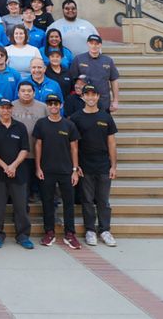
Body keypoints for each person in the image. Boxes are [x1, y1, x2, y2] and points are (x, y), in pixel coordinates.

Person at [71, 85, 119, 247]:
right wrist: (76, 166)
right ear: (82, 97)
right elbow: (74, 146)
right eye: (87, 94)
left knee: (103, 200)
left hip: (103, 165)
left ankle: (105, 230)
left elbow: (111, 143)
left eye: (93, 94)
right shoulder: (76, 118)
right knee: (87, 200)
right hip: (85, 166)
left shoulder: (106, 117)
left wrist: (113, 166)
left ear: (98, 96)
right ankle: (90, 230)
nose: (90, 98)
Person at [33, 94, 81, 250]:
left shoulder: (69, 124)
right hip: (47, 170)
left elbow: (74, 148)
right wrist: (38, 167)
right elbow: (38, 146)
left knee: (68, 203)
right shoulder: (41, 124)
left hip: (66, 171)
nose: (53, 106)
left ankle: (70, 234)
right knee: (47, 202)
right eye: (50, 103)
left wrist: (75, 169)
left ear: (61, 105)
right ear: (47, 106)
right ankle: (49, 232)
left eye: (56, 103)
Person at [0, 97, 33, 249]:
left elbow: (25, 149)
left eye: (8, 108)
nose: (5, 110)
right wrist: (5, 166)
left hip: (19, 173)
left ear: (12, 109)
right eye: (2, 108)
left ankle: (23, 235)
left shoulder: (20, 127)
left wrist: (13, 166)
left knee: (21, 207)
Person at [75, 34, 121, 112]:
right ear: (88, 44)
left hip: (103, 102)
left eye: (96, 44)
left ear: (100, 45)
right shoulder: (79, 59)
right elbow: (73, 80)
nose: (94, 46)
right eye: (91, 43)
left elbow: (114, 80)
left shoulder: (108, 60)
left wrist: (115, 101)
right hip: (84, 102)